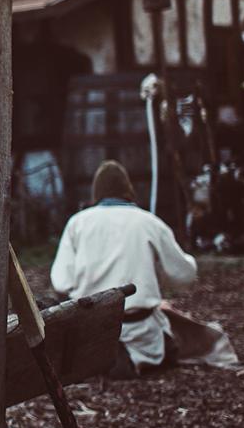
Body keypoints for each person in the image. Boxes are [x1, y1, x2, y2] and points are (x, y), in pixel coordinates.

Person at [51, 159, 221, 376]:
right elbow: (184, 275)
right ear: (128, 191)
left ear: (96, 194)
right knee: (168, 332)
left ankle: (111, 356)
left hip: (91, 331)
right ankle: (131, 356)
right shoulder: (149, 223)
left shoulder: (78, 223)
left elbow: (61, 281)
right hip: (139, 329)